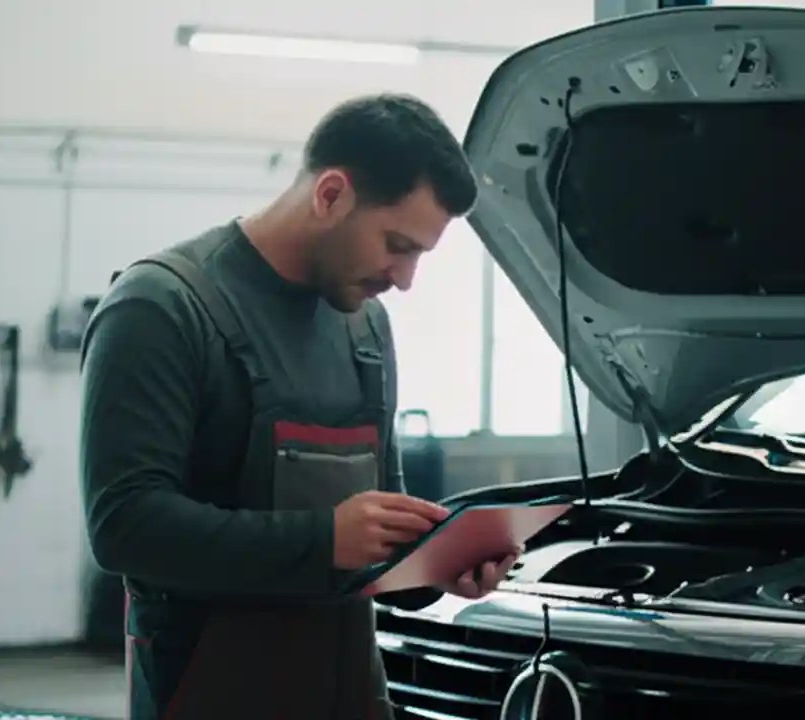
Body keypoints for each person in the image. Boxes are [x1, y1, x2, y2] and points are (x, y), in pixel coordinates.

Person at [79, 93, 519, 720]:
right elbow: (124, 526)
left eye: (419, 254)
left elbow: (377, 532)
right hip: (208, 693)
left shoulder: (366, 328)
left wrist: (433, 568)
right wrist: (325, 540)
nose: (404, 279)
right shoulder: (162, 308)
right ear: (330, 195)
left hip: (350, 692)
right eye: (397, 244)